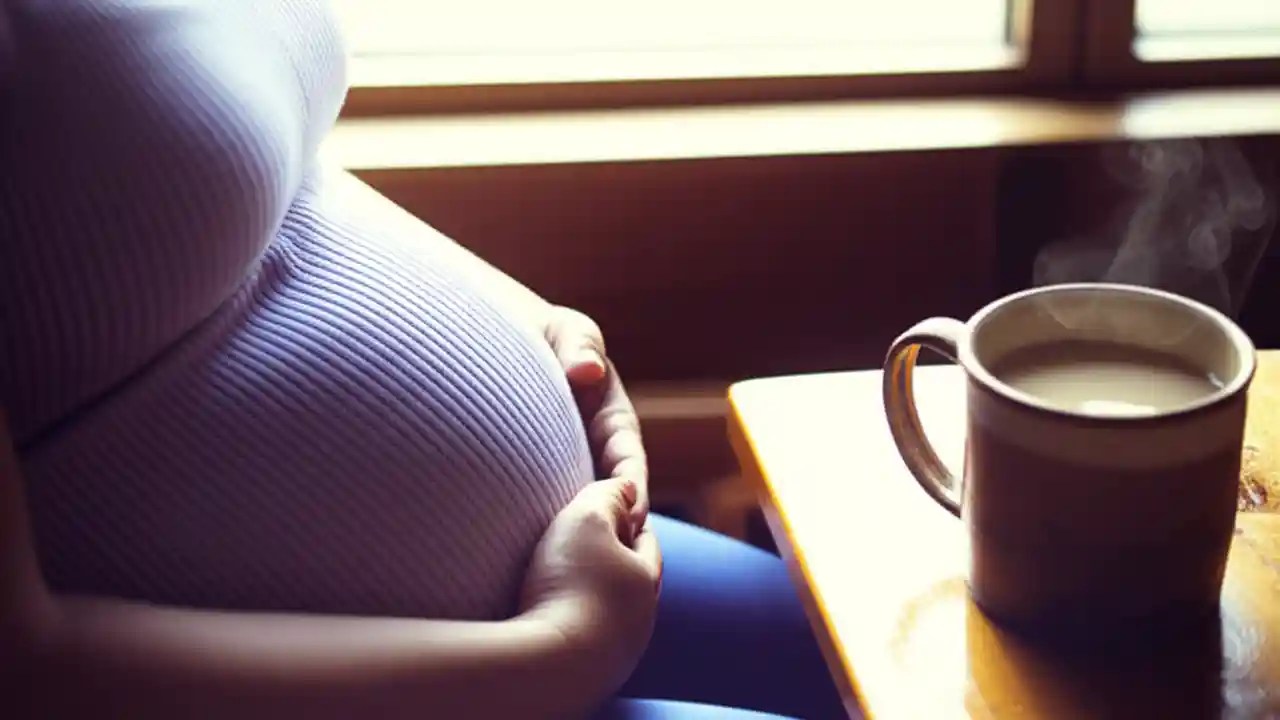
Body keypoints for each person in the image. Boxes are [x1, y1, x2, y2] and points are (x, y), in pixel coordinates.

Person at [0, 2, 847, 718]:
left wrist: (536, 319)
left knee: (906, 671)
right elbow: (24, 665)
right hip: (408, 684)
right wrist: (555, 653)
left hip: (548, 598)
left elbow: (252, 160)